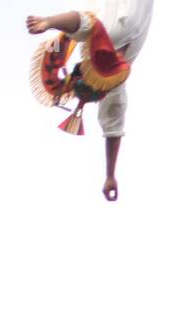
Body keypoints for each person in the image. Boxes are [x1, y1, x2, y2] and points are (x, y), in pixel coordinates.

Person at [27, 2, 154, 201]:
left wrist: (49, 22)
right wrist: (110, 175)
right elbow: (113, 129)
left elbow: (79, 21)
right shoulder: (115, 87)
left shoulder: (104, 35)